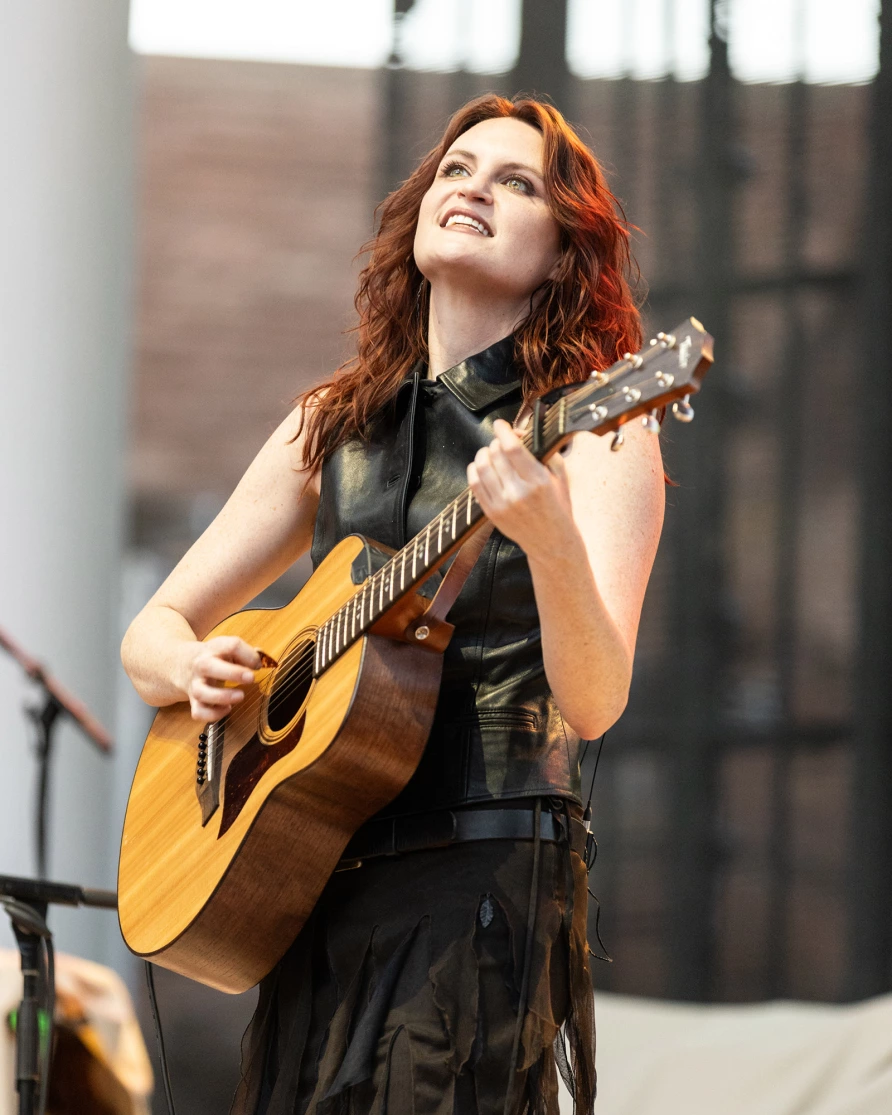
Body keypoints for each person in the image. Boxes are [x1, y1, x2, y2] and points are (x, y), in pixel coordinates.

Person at [121, 94, 664, 1115]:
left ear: (562, 255)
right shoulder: (328, 425)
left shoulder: (601, 428)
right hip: (316, 868)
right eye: (457, 170)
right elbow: (151, 632)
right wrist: (192, 667)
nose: (474, 190)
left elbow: (595, 701)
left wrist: (548, 539)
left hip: (479, 875)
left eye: (516, 183)